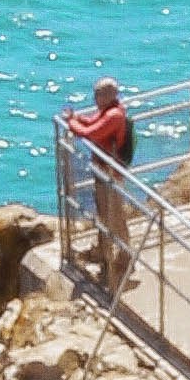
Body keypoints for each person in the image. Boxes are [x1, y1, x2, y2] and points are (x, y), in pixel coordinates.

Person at [63, 75, 136, 282]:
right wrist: (76, 118)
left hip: (110, 173)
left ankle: (124, 255)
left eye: (98, 94)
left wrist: (71, 123)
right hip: (102, 170)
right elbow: (93, 122)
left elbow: (91, 133)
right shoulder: (109, 111)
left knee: (114, 214)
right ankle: (104, 252)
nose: (95, 98)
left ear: (109, 95)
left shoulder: (114, 115)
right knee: (104, 213)